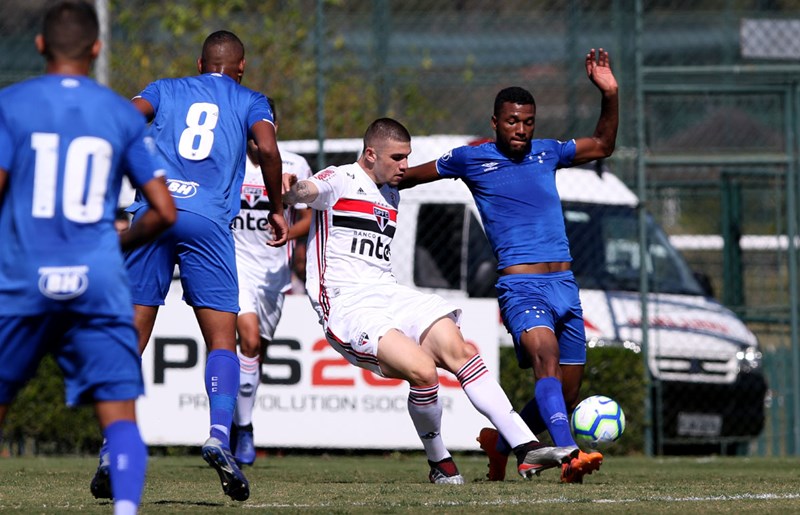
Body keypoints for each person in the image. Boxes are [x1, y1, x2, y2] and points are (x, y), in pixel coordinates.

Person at [283, 117, 577, 484]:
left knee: (462, 351)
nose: (405, 166)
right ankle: (440, 461)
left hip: (390, 292)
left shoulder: (391, 192)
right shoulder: (341, 178)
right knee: (423, 371)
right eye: (397, 157)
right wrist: (294, 191)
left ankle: (526, 447)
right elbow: (308, 191)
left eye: (407, 157)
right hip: (348, 306)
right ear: (371, 154)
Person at [400, 49, 619, 484]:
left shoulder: (547, 153)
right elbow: (403, 176)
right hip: (521, 289)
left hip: (564, 284)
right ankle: (569, 454)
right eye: (512, 121)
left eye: (528, 121)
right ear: (495, 122)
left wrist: (610, 94)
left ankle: (500, 445)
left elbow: (604, 145)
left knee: (567, 390)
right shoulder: (469, 159)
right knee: (547, 359)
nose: (521, 129)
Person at [91, 30, 289, 502]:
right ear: (240, 67)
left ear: (200, 63)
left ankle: (109, 447)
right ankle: (219, 435)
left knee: (133, 335)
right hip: (205, 219)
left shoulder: (163, 88)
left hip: (154, 212)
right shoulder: (251, 99)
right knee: (222, 339)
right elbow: (269, 151)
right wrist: (278, 207)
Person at [0, 2, 176, 514]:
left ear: (39, 46)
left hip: (23, 273)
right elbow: (162, 212)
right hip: (96, 277)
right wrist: (112, 245)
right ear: (96, 48)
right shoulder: (120, 112)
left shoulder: (11, 104)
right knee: (118, 415)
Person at [230, 98, 312, 466]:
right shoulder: (229, 162)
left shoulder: (294, 164)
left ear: (273, 129)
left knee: (256, 351)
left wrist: (287, 226)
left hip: (273, 274)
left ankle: (238, 420)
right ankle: (244, 429)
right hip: (234, 266)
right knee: (246, 340)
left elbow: (308, 218)